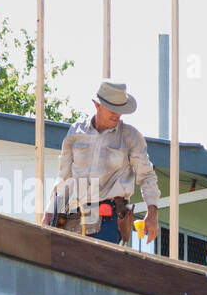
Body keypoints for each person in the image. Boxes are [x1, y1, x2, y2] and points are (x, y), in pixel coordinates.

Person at [42, 80, 160, 246]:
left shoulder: (130, 137)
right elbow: (64, 178)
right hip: (72, 216)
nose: (117, 114)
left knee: (98, 267)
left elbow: (147, 175)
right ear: (97, 105)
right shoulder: (75, 133)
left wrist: (152, 212)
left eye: (121, 110)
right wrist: (49, 215)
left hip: (109, 219)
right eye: (113, 109)